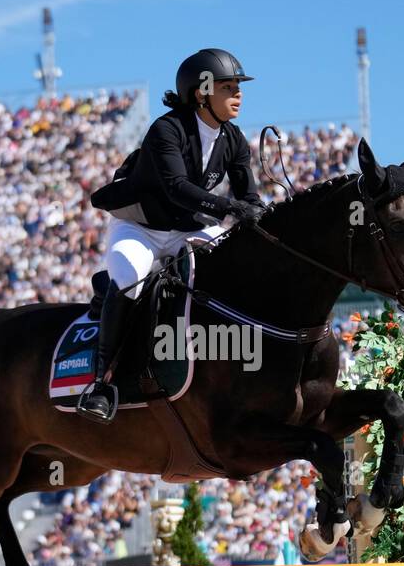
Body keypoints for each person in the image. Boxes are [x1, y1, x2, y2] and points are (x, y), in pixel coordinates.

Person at [78, 48, 265, 423]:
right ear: (202, 93)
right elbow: (178, 187)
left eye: (238, 87)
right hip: (142, 227)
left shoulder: (233, 137)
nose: (238, 95)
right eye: (228, 88)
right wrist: (230, 209)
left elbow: (248, 196)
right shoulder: (167, 129)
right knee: (131, 276)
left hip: (189, 227)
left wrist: (260, 214)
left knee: (230, 269)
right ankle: (101, 383)